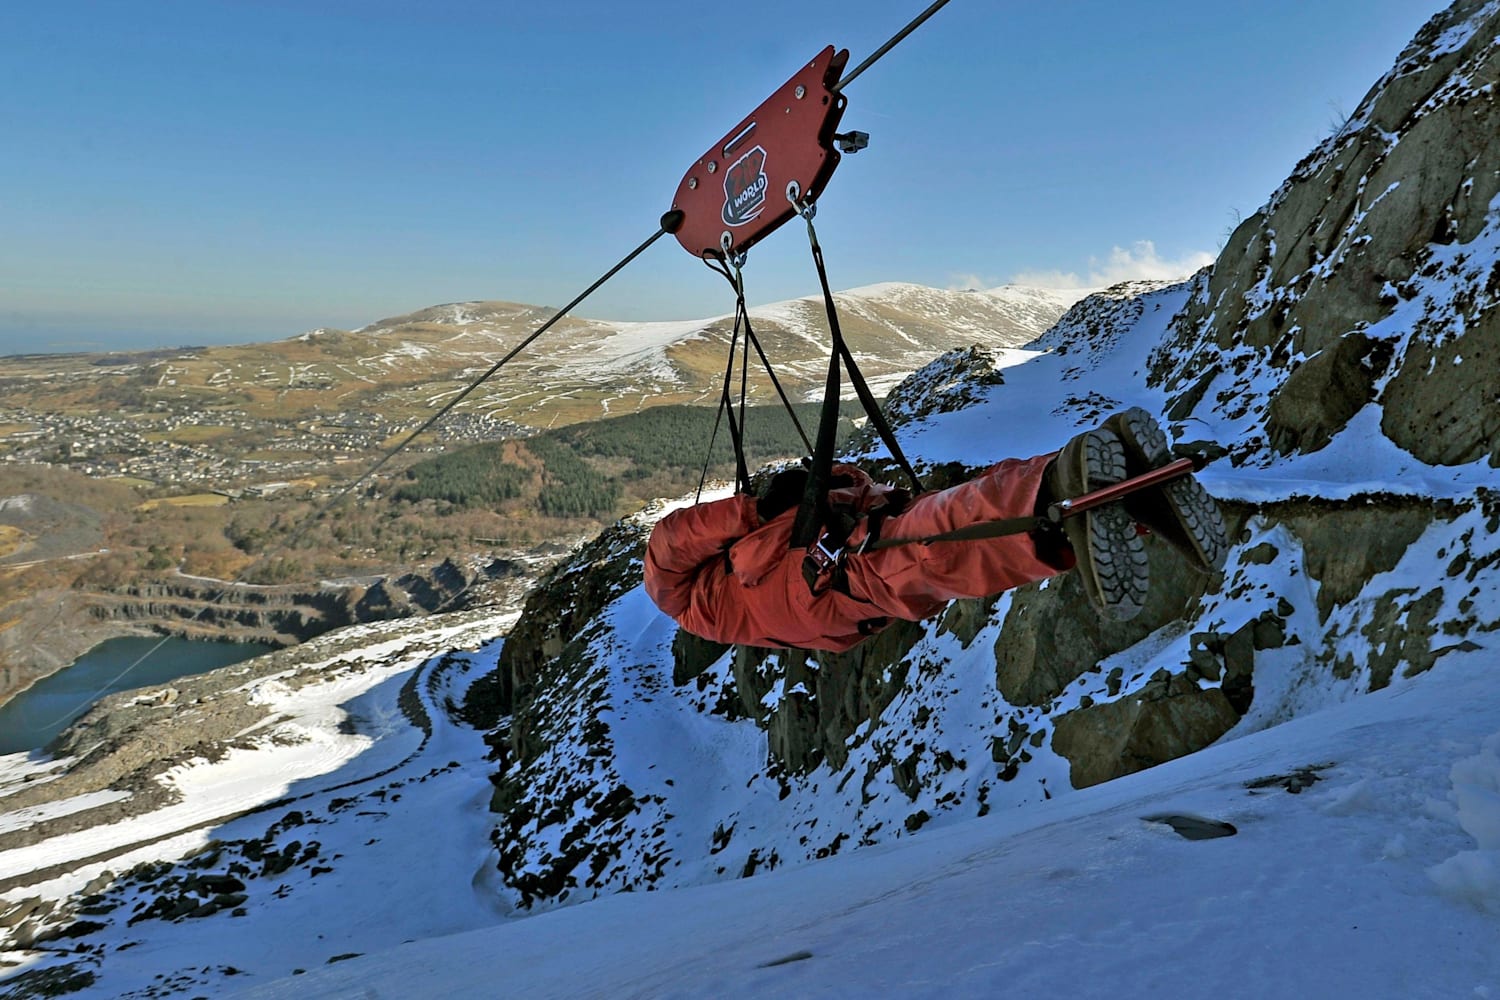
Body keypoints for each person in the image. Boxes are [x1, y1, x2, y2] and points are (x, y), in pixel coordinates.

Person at [644, 408, 1228, 653]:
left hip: (838, 592)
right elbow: (668, 543)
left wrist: (821, 493)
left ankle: (1111, 499)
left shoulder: (736, 612)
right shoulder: (694, 594)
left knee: (946, 534)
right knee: (933, 542)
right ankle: (1072, 488)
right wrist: (750, 510)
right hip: (830, 571)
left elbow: (840, 640)